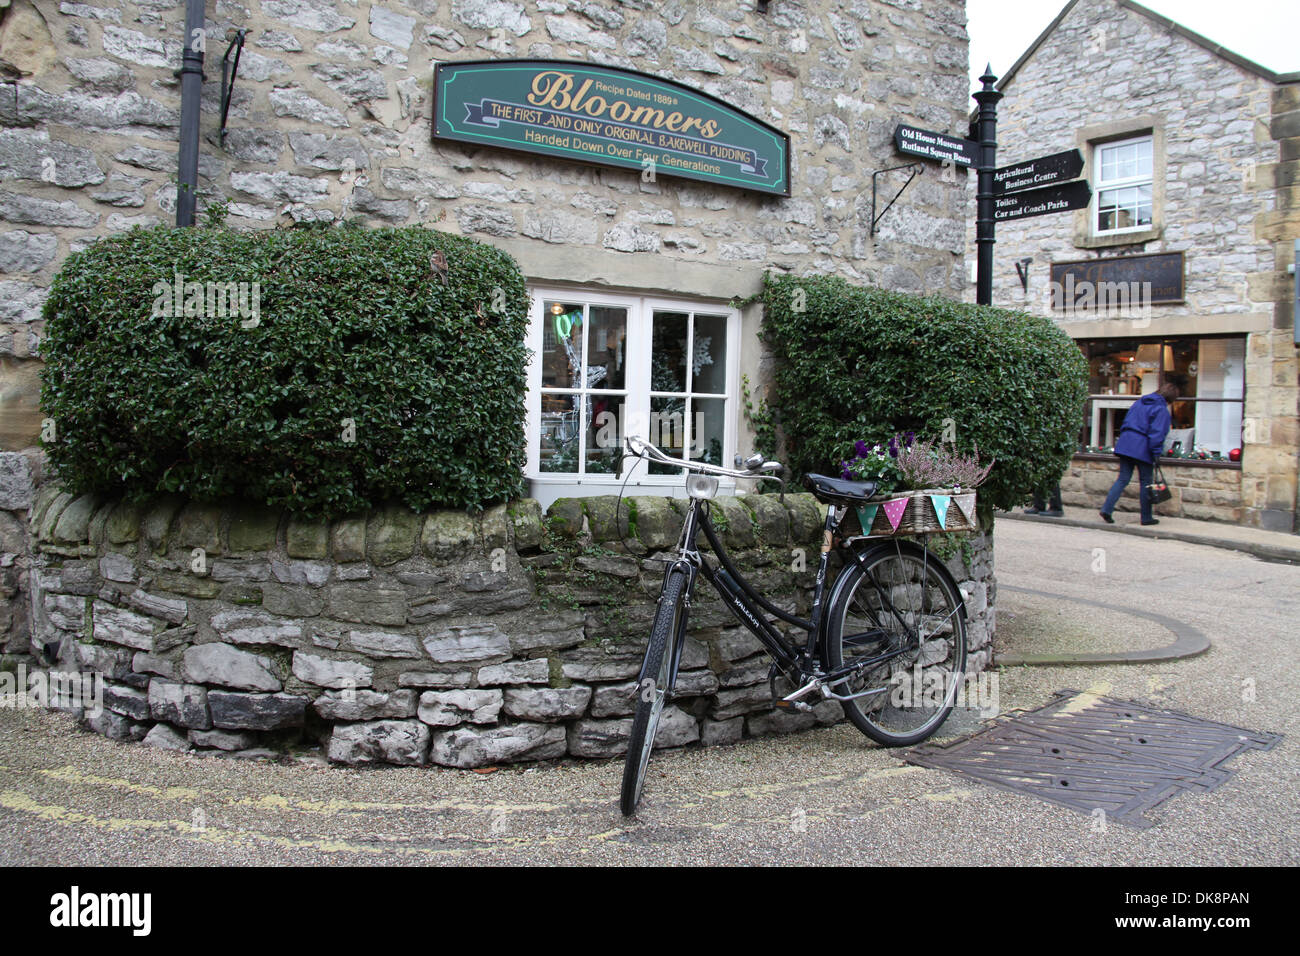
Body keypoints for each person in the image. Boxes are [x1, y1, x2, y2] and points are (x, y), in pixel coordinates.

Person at [1099, 380, 1179, 526]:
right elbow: (1157, 434)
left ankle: (1107, 509)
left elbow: (1125, 421)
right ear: (1170, 399)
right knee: (1146, 482)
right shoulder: (1161, 410)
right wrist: (1156, 453)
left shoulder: (1140, 403)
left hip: (1125, 443)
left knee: (1122, 479)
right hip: (1143, 447)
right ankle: (1146, 517)